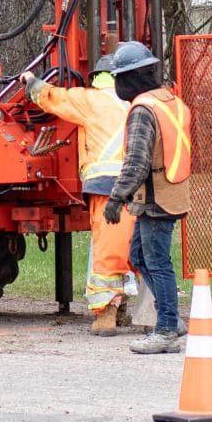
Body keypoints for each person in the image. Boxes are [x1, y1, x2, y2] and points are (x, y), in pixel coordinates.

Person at [21, 56, 135, 333]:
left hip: (107, 187)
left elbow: (53, 98)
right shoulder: (137, 103)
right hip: (142, 186)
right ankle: (137, 310)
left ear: (96, 77)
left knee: (108, 252)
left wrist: (31, 82)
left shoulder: (91, 100)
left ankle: (105, 314)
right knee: (137, 249)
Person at [101, 40, 193, 355]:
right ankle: (171, 318)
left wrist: (115, 198)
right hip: (171, 191)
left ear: (132, 77)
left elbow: (137, 161)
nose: (116, 85)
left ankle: (167, 328)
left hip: (155, 197)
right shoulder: (169, 100)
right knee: (139, 257)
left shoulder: (143, 108)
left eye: (118, 78)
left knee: (157, 261)